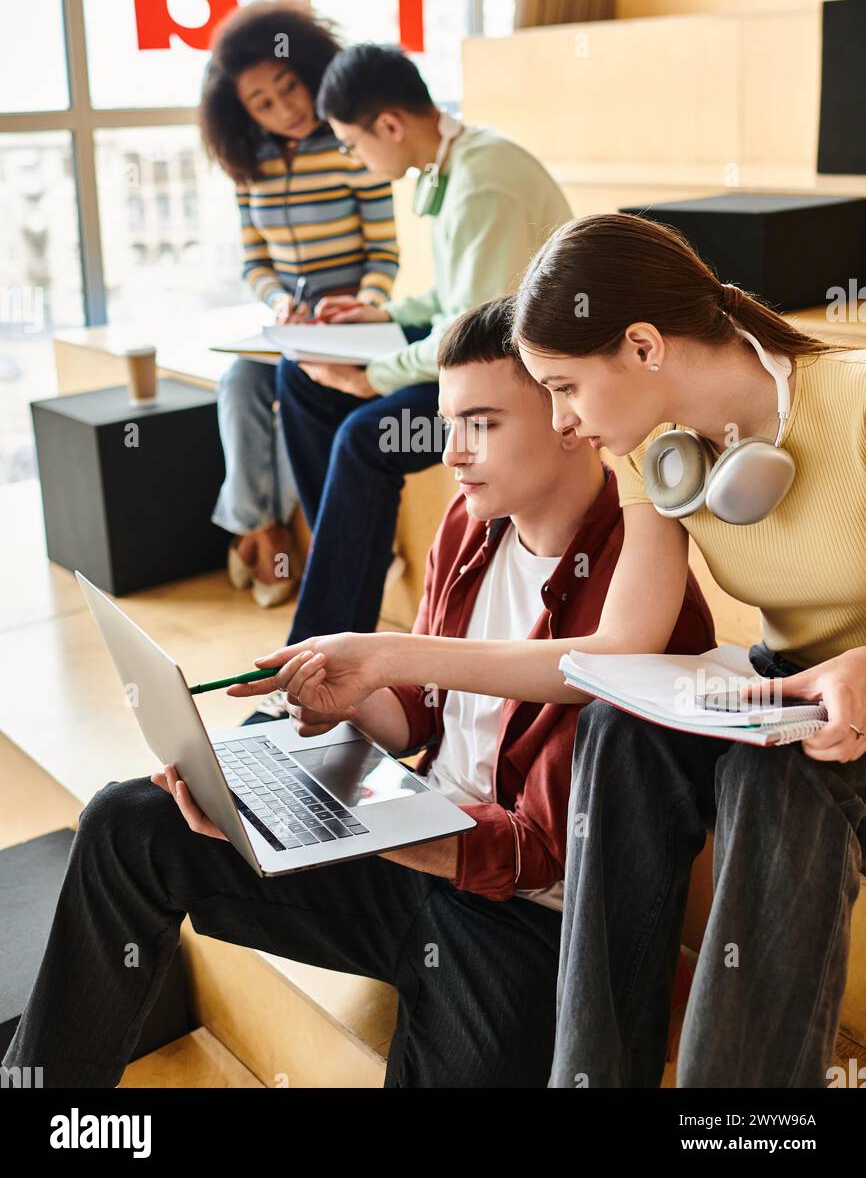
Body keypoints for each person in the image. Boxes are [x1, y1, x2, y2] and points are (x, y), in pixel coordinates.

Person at [0, 296, 713, 1090]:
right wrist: (348, 709)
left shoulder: (642, 604)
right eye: (448, 423)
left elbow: (535, 851)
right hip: (411, 861)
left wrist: (341, 826)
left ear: (568, 417)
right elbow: (419, 711)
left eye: (481, 424)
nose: (452, 453)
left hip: (526, 920)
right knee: (127, 822)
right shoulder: (471, 524)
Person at [228, 214, 866, 1088]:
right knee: (617, 727)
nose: (563, 418)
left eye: (563, 387)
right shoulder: (657, 455)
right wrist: (391, 656)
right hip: (793, 689)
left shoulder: (856, 399)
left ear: (643, 346)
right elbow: (612, 651)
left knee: (773, 779)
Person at [241, 44, 570, 718]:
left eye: (353, 145)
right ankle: (353, 547)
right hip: (477, 357)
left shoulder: (483, 180)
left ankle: (316, 656)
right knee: (300, 382)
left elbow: (481, 333)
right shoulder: (456, 162)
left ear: (388, 125)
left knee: (369, 435)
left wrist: (375, 376)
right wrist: (385, 313)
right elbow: (453, 300)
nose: (356, 160)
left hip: (515, 387)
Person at [199, 2, 399, 607]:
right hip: (288, 324)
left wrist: (363, 303)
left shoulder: (349, 144)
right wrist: (280, 299)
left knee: (294, 392)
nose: (285, 107)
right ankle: (265, 531)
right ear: (244, 113)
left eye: (289, 86)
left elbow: (383, 254)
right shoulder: (248, 165)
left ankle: (266, 555)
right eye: (263, 102)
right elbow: (253, 263)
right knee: (238, 383)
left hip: (352, 327)